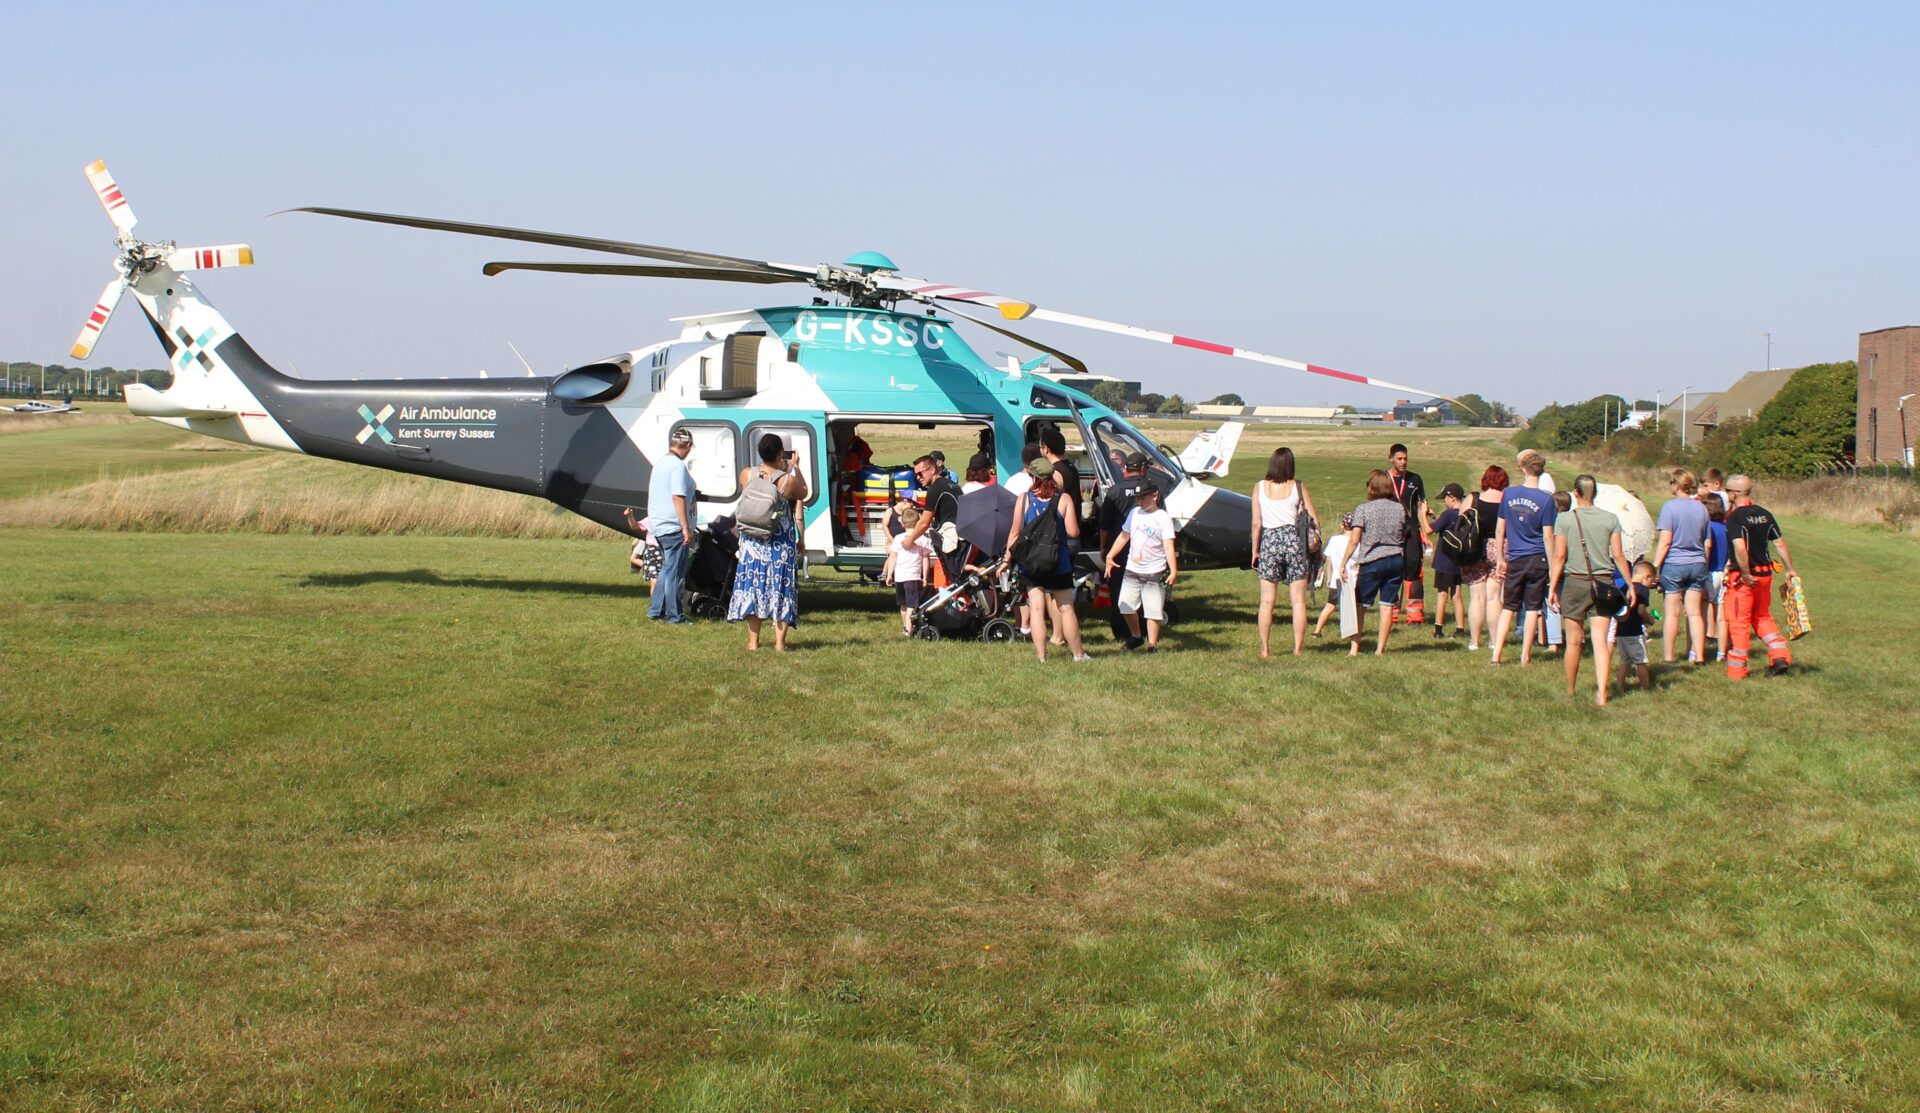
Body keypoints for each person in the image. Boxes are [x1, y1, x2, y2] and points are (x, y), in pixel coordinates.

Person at [1552, 474, 1633, 706]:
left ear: (1575, 494)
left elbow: (1559, 556)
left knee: (1574, 641)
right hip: (1604, 583)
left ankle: (1570, 690)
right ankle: (1602, 693)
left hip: (1575, 582)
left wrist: (1551, 586)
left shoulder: (1565, 520)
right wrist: (1629, 583)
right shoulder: (1610, 518)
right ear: (1594, 493)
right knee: (1600, 640)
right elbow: (1618, 556)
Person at [728, 433, 808, 650]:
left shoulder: (747, 474)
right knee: (781, 589)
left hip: (751, 542)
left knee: (753, 587)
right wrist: (794, 467)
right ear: (781, 453)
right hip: (779, 543)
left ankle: (753, 642)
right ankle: (780, 644)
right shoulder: (786, 480)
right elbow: (803, 492)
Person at [1006, 459, 1088, 661]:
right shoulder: (1064, 499)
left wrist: (1007, 559)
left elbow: (1015, 532)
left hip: (1031, 562)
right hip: (1057, 561)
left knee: (1036, 608)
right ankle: (1078, 654)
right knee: (1066, 608)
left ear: (1032, 477)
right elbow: (1073, 531)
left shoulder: (1023, 499)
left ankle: (1042, 656)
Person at [1723, 474, 1798, 679]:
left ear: (1734, 493)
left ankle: (1737, 671)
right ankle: (1780, 656)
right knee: (1762, 616)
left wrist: (1745, 573)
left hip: (1744, 578)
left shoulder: (1735, 518)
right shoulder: (1765, 514)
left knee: (1739, 621)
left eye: (1727, 490)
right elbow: (1780, 544)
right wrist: (1791, 570)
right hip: (1765, 575)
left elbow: (1740, 548)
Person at [1250, 446, 1319, 657]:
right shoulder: (1298, 487)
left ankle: (1265, 649)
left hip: (1269, 541)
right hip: (1294, 541)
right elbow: (1315, 520)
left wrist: (1255, 551)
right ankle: (1297, 649)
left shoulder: (1259, 487)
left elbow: (1256, 523)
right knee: (1298, 600)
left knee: (1267, 600)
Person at [1489, 458, 1557, 665]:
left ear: (1523, 469)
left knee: (1509, 606)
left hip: (1516, 557)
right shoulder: (1546, 500)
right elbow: (1548, 537)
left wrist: (1501, 557)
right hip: (1538, 558)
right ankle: (1525, 655)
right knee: (1532, 608)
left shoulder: (1508, 494)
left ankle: (1497, 654)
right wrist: (1553, 567)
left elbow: (1500, 529)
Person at [1104, 482, 1179, 651]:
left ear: (1155, 496)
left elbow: (1168, 546)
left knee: (1153, 610)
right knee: (1125, 606)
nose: (1141, 502)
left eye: (1144, 498)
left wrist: (1173, 570)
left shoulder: (1163, 517)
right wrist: (1110, 555)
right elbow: (1124, 536)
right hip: (1132, 569)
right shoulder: (1134, 513)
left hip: (1155, 571)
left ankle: (1152, 644)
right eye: (1138, 498)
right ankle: (1136, 636)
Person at [1651, 468, 1713, 665]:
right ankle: (1700, 656)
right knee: (1694, 612)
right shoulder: (1701, 508)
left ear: (1676, 485)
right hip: (1697, 563)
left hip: (1674, 563)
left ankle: (1669, 657)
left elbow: (1666, 541)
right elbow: (1706, 540)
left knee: (1672, 613)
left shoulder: (1670, 508)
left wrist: (1655, 566)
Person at [1344, 469, 1406, 656]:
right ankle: (1380, 649)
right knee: (1387, 605)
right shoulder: (1399, 508)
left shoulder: (1363, 509)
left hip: (1372, 560)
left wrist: (1344, 562)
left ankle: (1355, 648)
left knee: (1360, 605)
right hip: (1396, 559)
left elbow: (1354, 540)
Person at [1100, 453, 1155, 639]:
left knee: (1118, 591)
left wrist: (1104, 549)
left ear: (1126, 468)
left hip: (1119, 549)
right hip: (1145, 550)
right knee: (1146, 590)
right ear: (1142, 468)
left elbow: (1104, 526)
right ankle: (1145, 630)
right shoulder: (1151, 491)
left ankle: (1122, 631)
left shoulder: (1114, 491)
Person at [645, 428, 698, 624]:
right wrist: (685, 527)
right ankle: (675, 616)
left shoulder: (660, 463)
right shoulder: (677, 466)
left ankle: (655, 610)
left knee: (667, 570)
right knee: (676, 574)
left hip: (659, 524)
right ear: (686, 445)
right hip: (673, 526)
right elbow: (677, 496)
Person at [1462, 466, 1508, 651]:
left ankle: (1474, 641)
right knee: (1494, 597)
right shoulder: (1506, 500)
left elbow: (1461, 523)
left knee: (1476, 596)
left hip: (1475, 547)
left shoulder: (1474, 498)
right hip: (1500, 547)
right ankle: (1494, 641)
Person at [1387, 443, 1431, 625]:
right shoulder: (1383, 478)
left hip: (1412, 530)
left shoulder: (1415, 479)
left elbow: (1421, 507)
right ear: (1390, 458)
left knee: (1414, 571)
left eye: (1405, 458)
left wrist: (1426, 533)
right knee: (1392, 570)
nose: (1403, 462)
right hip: (1390, 532)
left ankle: (1414, 616)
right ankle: (1392, 614)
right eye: (1399, 458)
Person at [1428, 483, 1469, 639]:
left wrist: (1421, 515)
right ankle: (1460, 629)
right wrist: (1435, 517)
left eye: (1445, 498)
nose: (1444, 501)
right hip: (1458, 561)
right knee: (1457, 595)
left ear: (1452, 498)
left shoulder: (1449, 514)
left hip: (1444, 560)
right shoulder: (1465, 514)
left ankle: (1438, 629)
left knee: (1442, 594)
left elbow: (1428, 530)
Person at [886, 505, 936, 635]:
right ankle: (909, 630)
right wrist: (925, 577)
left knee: (903, 604)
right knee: (911, 605)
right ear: (918, 522)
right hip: (912, 577)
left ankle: (905, 627)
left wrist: (889, 574)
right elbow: (925, 559)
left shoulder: (897, 538)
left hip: (899, 577)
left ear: (901, 522)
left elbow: (892, 557)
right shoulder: (923, 539)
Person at [1312, 513, 1357, 640]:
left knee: (1330, 606)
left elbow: (1329, 561)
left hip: (1336, 579)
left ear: (1342, 525)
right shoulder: (1357, 542)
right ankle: (1350, 633)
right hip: (1352, 579)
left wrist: (1330, 577)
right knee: (1351, 608)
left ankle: (1317, 630)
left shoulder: (1335, 540)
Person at [1616, 560, 1656, 692]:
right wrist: (1650, 619)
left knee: (1624, 661)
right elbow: (1641, 611)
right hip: (1634, 631)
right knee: (1641, 661)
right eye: (1651, 582)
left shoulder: (1623, 587)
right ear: (1647, 576)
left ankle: (1620, 686)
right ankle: (1647, 688)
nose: (1650, 585)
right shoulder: (1642, 590)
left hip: (1620, 630)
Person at [1038, 425, 1083, 526]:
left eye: (1040, 447)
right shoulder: (1070, 467)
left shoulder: (1055, 472)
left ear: (1046, 449)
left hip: (1063, 531)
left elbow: (1051, 503)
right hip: (1073, 525)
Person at [1704, 494, 1730, 661]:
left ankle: (1700, 648)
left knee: (1704, 611)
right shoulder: (1726, 528)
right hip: (1724, 572)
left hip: (1709, 572)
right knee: (1722, 616)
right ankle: (1722, 652)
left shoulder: (1708, 528)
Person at [621, 507, 663, 594]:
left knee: (666, 582)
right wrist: (630, 516)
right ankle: (656, 605)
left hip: (666, 550)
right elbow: (635, 526)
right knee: (655, 582)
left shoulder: (671, 520)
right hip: (653, 551)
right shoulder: (650, 519)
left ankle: (665, 604)